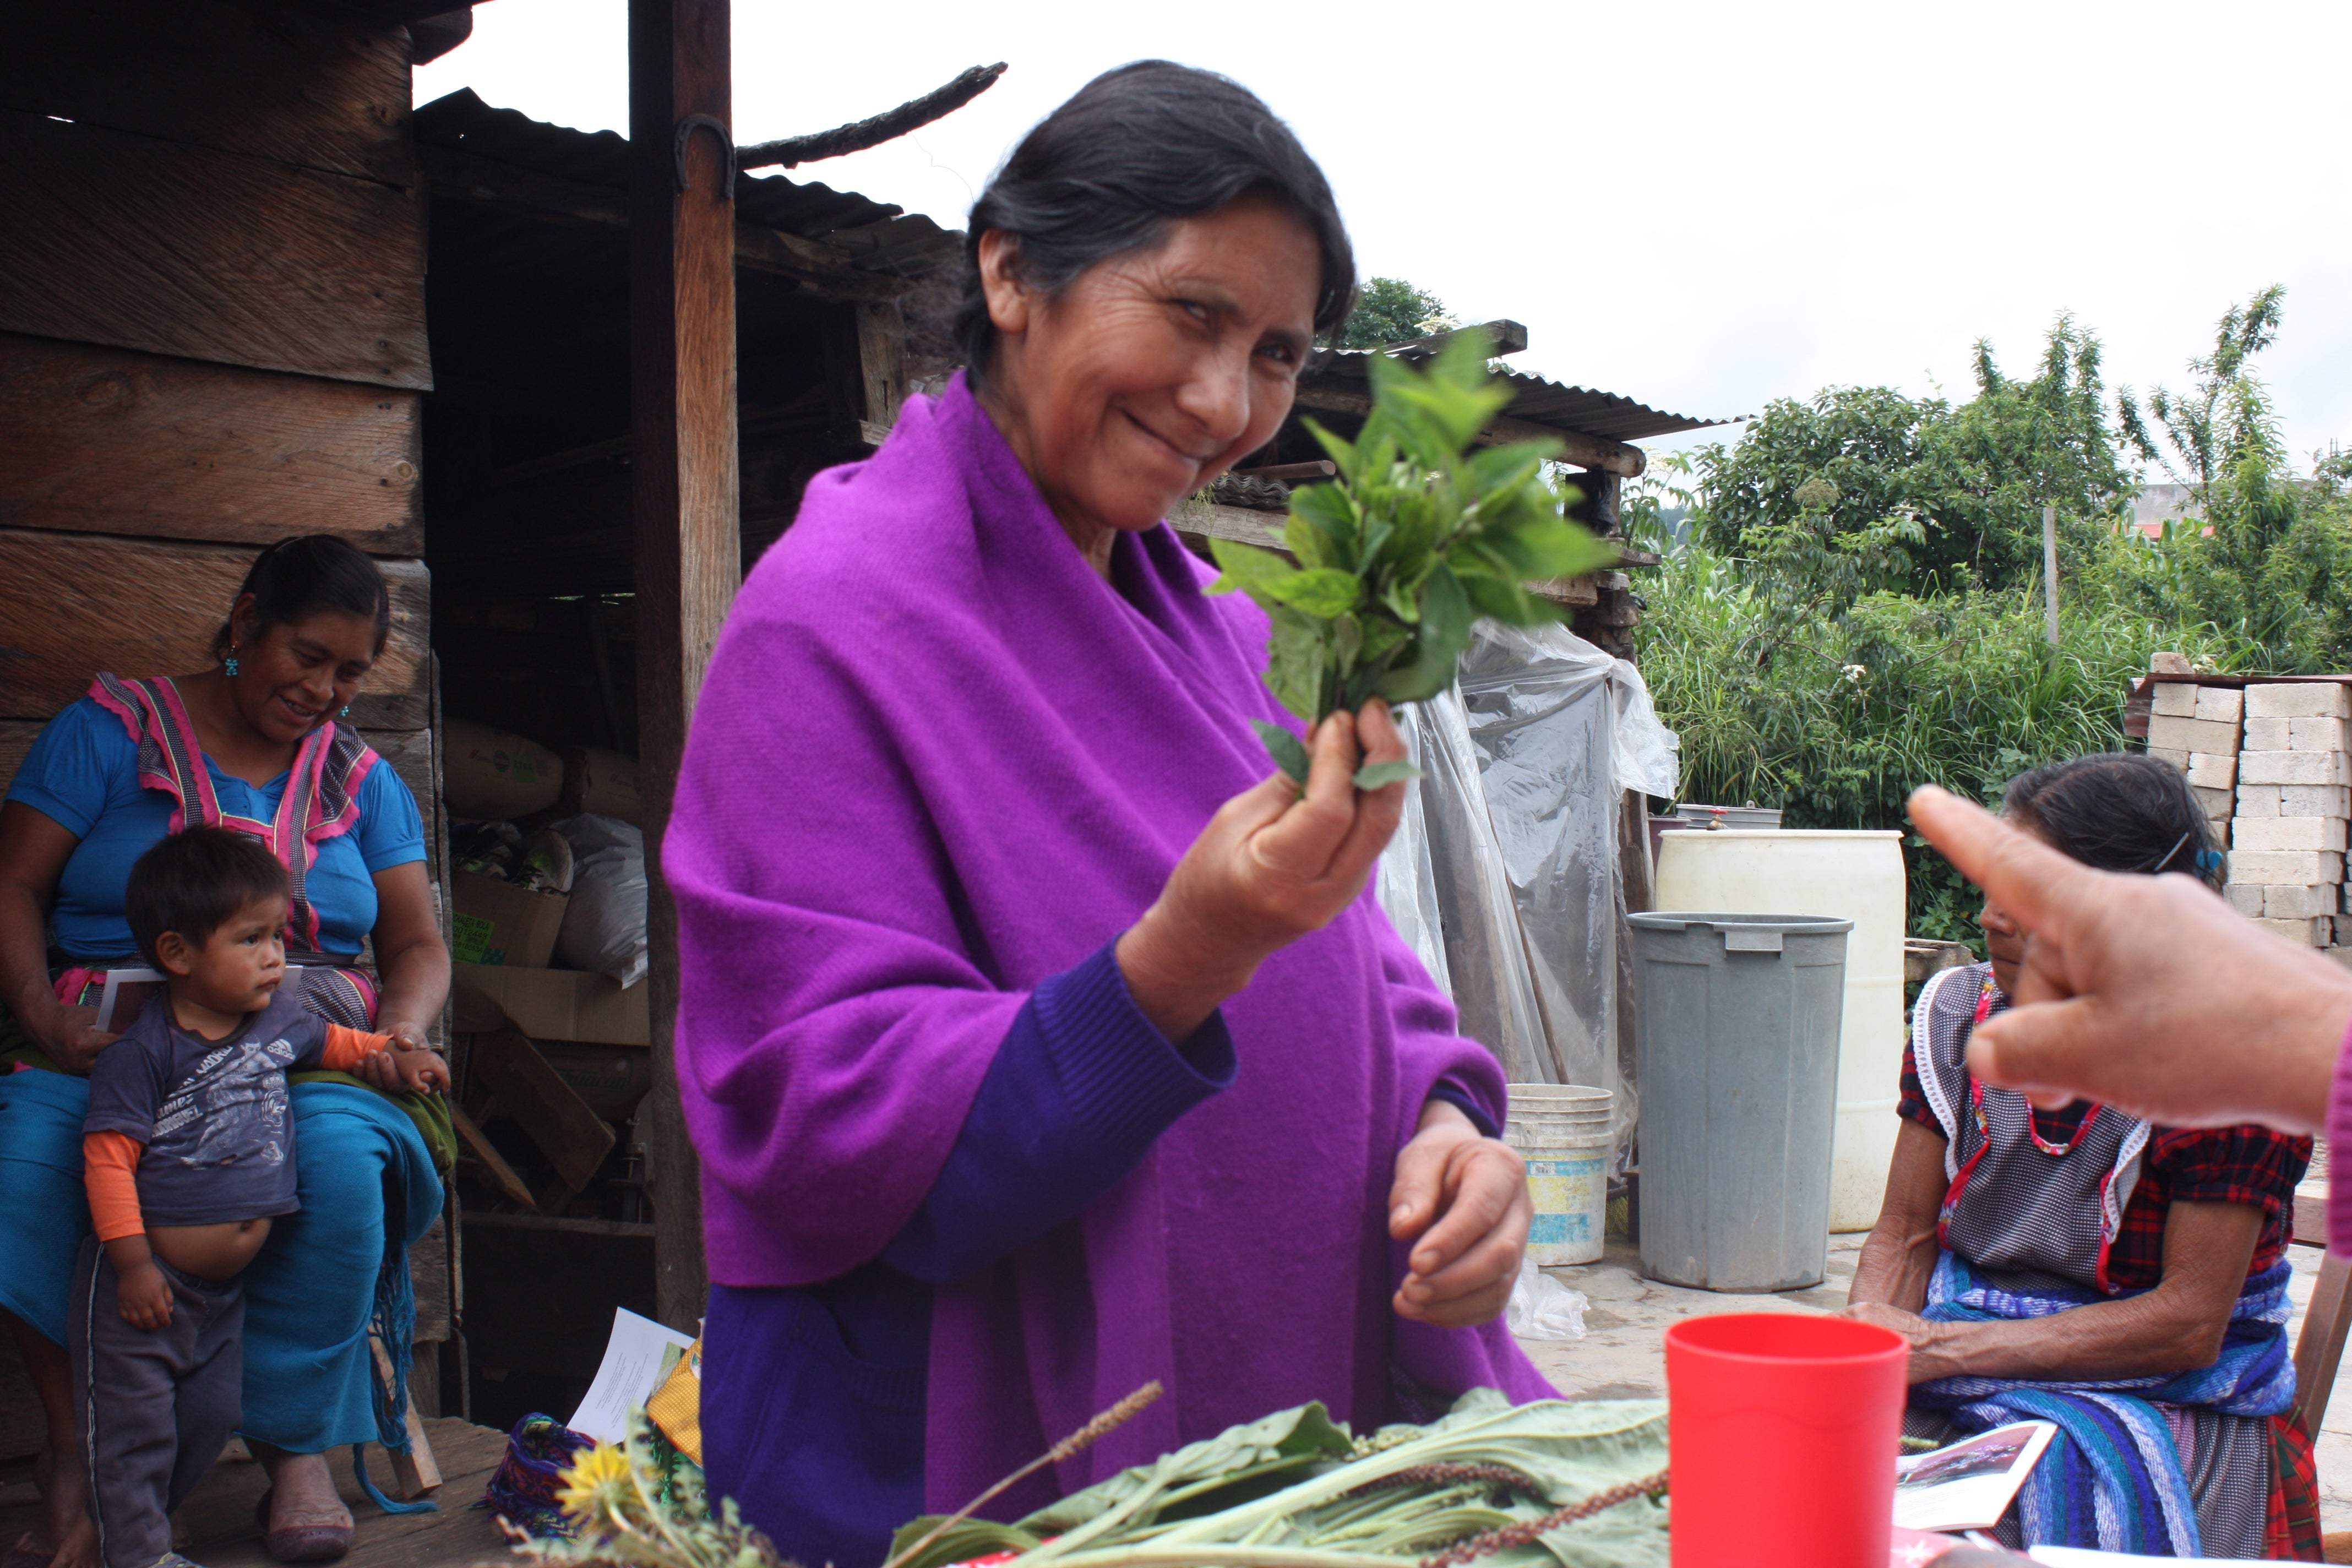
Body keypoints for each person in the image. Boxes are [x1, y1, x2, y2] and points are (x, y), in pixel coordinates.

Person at [667, 61, 1545, 1568]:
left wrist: (1453, 1127)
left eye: (1276, 352)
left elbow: (1364, 981)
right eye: (1190, 313)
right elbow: (827, 1117)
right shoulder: (834, 622)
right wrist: (1181, 960)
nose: (1225, 405)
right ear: (1012, 271)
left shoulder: (1222, 628)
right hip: (977, 1466)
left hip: (1266, 1434)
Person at [0, 536, 450, 1568]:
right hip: (117, 1049)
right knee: (30, 1158)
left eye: (350, 673)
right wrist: (38, 1011)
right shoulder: (107, 736)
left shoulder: (362, 779)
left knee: (337, 1161)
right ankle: (81, 1454)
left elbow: (416, 942)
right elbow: (13, 884)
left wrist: (404, 1033)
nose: (324, 691)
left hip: (309, 1051)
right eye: (307, 656)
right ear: (245, 623)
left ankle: (296, 1445)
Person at [1850, 755, 2316, 1559]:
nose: (1995, 916)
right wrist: (1864, 1359)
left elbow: (2187, 1326)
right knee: (1836, 1462)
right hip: (1979, 1355)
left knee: (2014, 1510)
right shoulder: (1962, 1017)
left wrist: (1937, 1350)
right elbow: (1905, 1236)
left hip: (2170, 1395)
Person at [77, 830, 448, 1568]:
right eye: (251, 939)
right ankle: (139, 1551)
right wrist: (134, 1264)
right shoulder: (143, 1055)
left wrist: (397, 1057)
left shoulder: (279, 1021)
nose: (276, 956)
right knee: (135, 1426)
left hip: (221, 1295)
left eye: (277, 935)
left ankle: (135, 1532)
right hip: (151, 1284)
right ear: (179, 954)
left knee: (211, 1417)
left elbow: (342, 1045)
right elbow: (108, 1162)